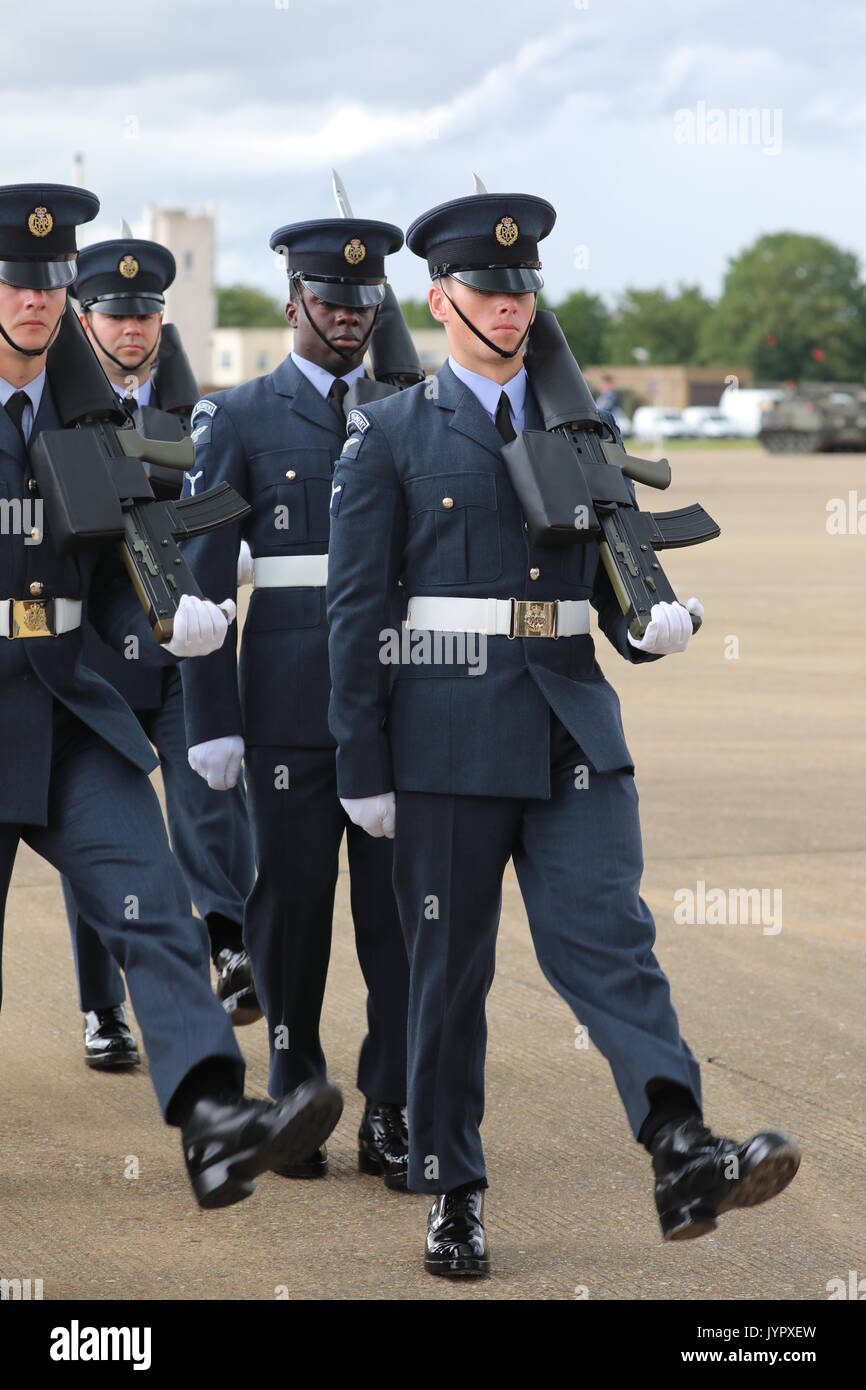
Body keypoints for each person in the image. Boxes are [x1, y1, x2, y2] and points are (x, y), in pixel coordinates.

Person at [325, 191, 801, 1275]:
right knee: (448, 971)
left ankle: (680, 1145)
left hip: (569, 725)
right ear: (442, 299)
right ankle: (452, 1188)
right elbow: (356, 615)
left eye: (523, 288)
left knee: (609, 943)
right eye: (488, 291)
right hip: (441, 737)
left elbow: (604, 577)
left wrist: (651, 627)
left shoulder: (581, 430)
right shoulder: (391, 434)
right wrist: (360, 762)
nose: (509, 306)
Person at [0, 182, 341, 1208]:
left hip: (65, 708)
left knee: (151, 903)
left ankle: (212, 1118)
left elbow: (112, 567)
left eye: (50, 286)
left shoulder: (90, 418)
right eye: (16, 283)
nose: (35, 302)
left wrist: (167, 615)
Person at [180, 216, 410, 1187]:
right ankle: (293, 1081)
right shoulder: (237, 417)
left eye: (362, 305)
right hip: (284, 700)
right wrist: (212, 717)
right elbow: (199, 585)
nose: (348, 320)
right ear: (292, 306)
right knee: (292, 905)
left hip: (400, 696)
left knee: (399, 916)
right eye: (329, 303)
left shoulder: (414, 408)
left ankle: (393, 1104)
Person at [61, 236, 258, 1071]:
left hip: (187, 647)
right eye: (116, 314)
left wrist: (231, 548)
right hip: (95, 655)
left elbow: (225, 496)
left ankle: (230, 943)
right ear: (85, 317)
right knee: (100, 834)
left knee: (210, 791)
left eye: (145, 315)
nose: (133, 329)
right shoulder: (57, 410)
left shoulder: (196, 413)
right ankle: (104, 1007)